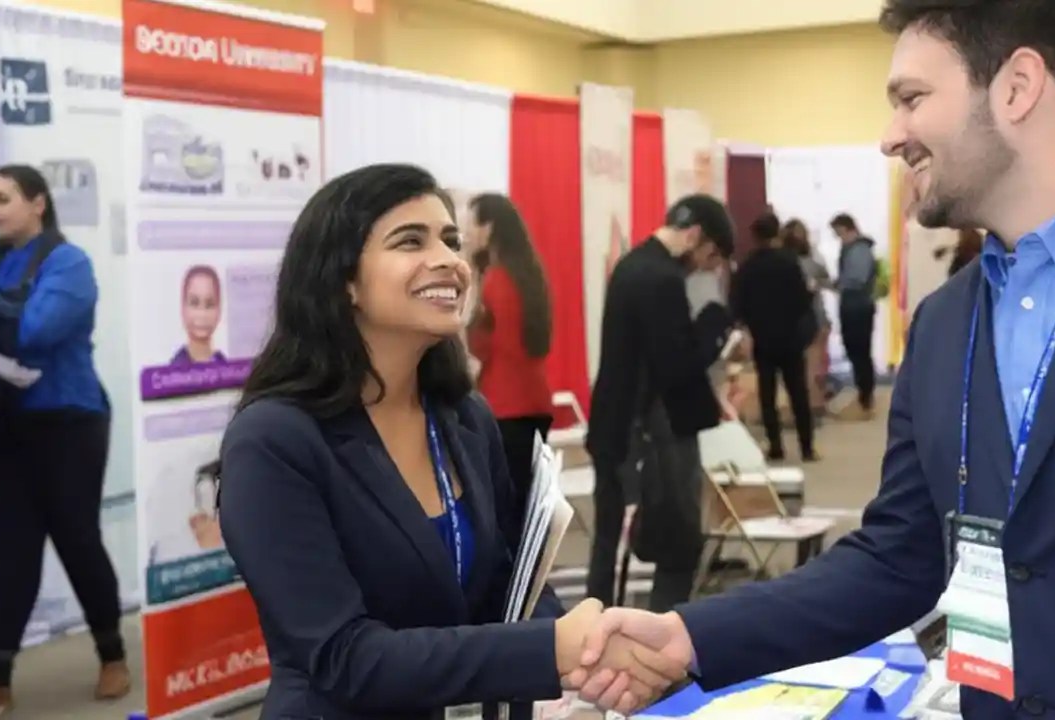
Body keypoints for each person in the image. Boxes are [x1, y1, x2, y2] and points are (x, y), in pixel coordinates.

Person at [570, 2, 1055, 718]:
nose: (890, 137)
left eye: (912, 99)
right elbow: (897, 558)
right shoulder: (942, 326)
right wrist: (689, 636)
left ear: (1017, 86)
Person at [216, 164, 678, 720]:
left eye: (452, 240)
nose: (450, 261)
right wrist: (553, 648)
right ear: (344, 280)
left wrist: (589, 653)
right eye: (411, 241)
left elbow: (513, 584)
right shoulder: (273, 442)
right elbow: (344, 660)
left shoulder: (462, 419)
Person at [0, 165, 129, 718]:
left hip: (70, 424)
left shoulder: (69, 262)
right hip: (6, 427)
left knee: (76, 539)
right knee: (13, 549)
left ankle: (112, 656)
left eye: (4, 198)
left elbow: (37, 333)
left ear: (38, 203)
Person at [584, 195, 735, 612]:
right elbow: (676, 366)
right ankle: (656, 638)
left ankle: (595, 632)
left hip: (616, 426)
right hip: (648, 438)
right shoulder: (662, 278)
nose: (708, 266)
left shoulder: (632, 265)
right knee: (676, 547)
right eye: (711, 255)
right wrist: (713, 326)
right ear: (695, 235)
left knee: (610, 542)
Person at [465, 193, 554, 524]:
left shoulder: (495, 281)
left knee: (505, 512)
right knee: (526, 506)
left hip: (504, 406)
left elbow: (483, 348)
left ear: (488, 228)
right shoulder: (528, 275)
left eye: (471, 224)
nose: (467, 234)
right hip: (535, 403)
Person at [730, 212, 818, 462]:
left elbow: (736, 304)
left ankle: (776, 447)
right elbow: (803, 299)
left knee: (767, 395)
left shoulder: (748, 266)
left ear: (754, 236)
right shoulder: (789, 262)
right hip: (790, 338)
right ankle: (807, 447)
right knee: (798, 392)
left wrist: (750, 325)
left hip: (763, 340)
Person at [829, 212, 878, 416]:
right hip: (853, 306)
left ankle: (865, 397)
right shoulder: (852, 248)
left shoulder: (858, 249)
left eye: (839, 232)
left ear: (847, 228)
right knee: (855, 351)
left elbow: (857, 278)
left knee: (860, 352)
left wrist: (837, 283)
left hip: (857, 307)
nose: (838, 237)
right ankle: (864, 395)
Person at [783, 218, 832, 417]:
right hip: (816, 318)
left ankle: (806, 404)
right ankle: (815, 403)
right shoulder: (813, 260)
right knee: (815, 364)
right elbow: (826, 279)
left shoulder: (784, 263)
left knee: (800, 368)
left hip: (792, 321)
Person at [171, 264, 225, 365]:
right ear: (183, 308)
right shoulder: (171, 373)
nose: (202, 314)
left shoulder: (227, 370)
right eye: (194, 303)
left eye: (210, 304)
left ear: (219, 310)